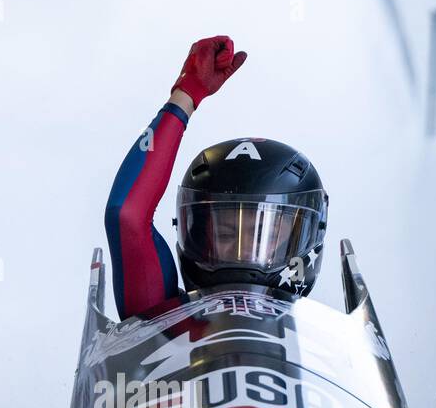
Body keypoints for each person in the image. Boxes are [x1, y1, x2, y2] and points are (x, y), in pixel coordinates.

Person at [104, 36, 329, 320]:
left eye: (265, 234)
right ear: (197, 237)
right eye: (226, 234)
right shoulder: (160, 321)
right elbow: (126, 215)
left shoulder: (337, 349)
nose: (243, 251)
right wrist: (187, 94)